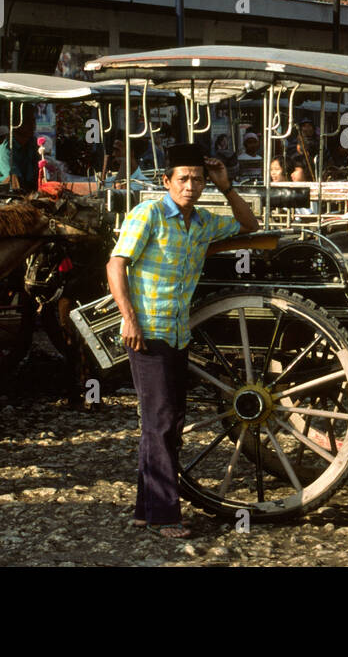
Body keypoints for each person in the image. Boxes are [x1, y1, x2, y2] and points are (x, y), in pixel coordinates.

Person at [107, 145, 258, 539]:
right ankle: (165, 517)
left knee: (167, 422)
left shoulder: (203, 222)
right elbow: (116, 263)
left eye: (197, 179)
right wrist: (129, 319)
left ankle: (146, 510)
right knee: (160, 422)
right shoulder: (150, 215)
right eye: (183, 179)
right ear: (167, 182)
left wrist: (227, 188)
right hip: (147, 333)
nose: (190, 186)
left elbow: (249, 225)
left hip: (178, 334)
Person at [0, 119, 39, 188]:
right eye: (25, 134)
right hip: (5, 191)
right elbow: (15, 179)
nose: (29, 137)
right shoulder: (5, 152)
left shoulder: (31, 144)